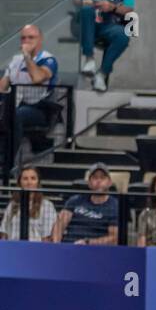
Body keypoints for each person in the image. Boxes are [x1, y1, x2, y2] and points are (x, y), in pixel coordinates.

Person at [0, 24, 58, 163]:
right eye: (23, 38)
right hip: (14, 105)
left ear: (40, 39)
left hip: (39, 109)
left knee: (17, 115)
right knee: (10, 113)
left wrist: (27, 56)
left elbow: (37, 77)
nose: (26, 41)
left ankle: (6, 162)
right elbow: (2, 86)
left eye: (31, 37)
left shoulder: (48, 59)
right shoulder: (15, 61)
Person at [53, 163, 119, 245]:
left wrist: (88, 242)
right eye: (95, 178)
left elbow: (114, 238)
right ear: (89, 183)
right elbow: (59, 225)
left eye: (102, 178)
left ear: (109, 182)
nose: (98, 181)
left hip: (96, 251)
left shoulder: (115, 206)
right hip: (69, 247)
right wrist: (56, 246)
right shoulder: (75, 200)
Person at [0, 164, 56, 241]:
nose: (29, 182)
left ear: (38, 182)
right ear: (20, 182)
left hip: (36, 250)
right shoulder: (12, 205)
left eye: (33, 178)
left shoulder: (47, 206)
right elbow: (4, 234)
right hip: (13, 249)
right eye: (25, 179)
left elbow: (46, 238)